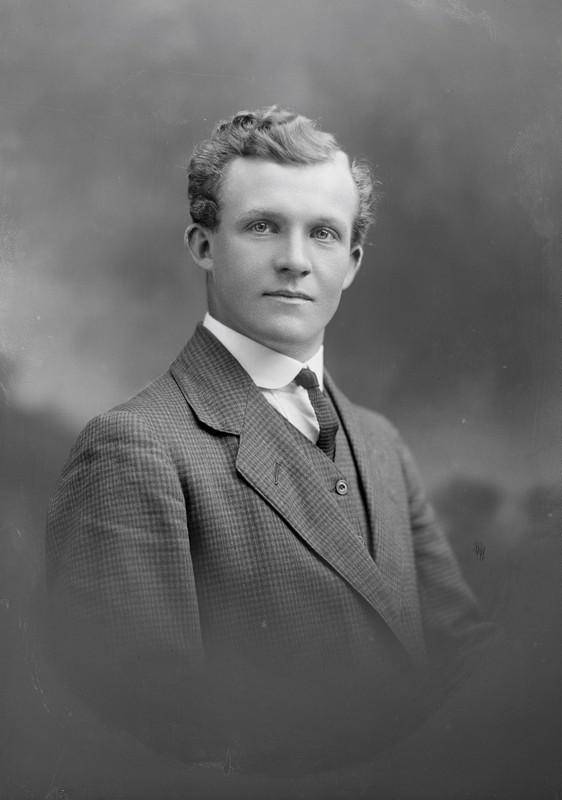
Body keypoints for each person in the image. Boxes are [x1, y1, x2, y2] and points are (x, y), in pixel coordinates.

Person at [46, 106, 495, 775]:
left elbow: (466, 659)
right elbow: (154, 736)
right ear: (203, 244)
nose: (293, 260)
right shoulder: (134, 446)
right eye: (262, 226)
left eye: (322, 233)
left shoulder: (380, 443)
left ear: (352, 261)